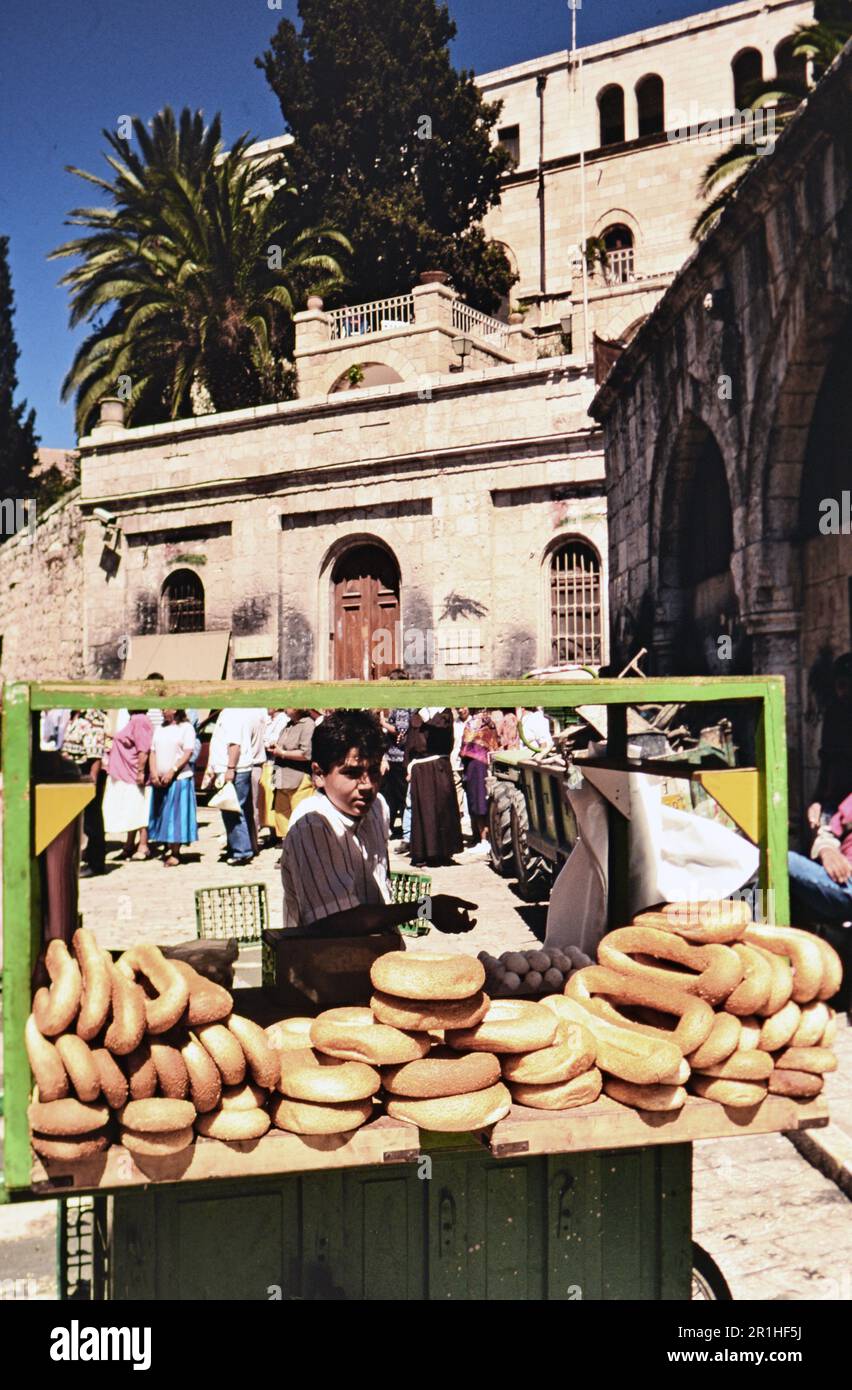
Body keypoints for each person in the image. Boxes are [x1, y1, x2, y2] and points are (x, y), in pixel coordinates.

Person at [280, 710, 476, 935]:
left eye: (373, 771)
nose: (366, 785)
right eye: (352, 773)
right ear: (319, 774)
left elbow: (379, 891)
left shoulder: (377, 808)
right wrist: (425, 908)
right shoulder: (313, 824)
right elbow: (336, 921)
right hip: (327, 961)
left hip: (376, 954)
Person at [789, 654, 852, 927]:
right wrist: (826, 847)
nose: (846, 693)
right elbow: (831, 812)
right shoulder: (836, 717)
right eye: (842, 686)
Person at [207, 706, 266, 866]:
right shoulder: (232, 713)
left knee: (232, 811)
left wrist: (230, 768)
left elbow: (234, 745)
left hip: (236, 769)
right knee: (242, 810)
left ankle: (241, 851)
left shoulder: (232, 714)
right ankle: (245, 846)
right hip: (237, 768)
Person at [408, 709, 463, 866]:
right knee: (423, 810)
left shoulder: (444, 713)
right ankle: (423, 853)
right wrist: (409, 765)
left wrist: (429, 720)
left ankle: (443, 852)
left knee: (442, 809)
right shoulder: (417, 714)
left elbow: (445, 735)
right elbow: (411, 743)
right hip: (420, 768)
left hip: (439, 766)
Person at [147, 709, 198, 866]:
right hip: (160, 779)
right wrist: (154, 773)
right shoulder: (160, 728)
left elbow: (187, 752)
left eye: (165, 708)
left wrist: (172, 771)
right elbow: (153, 752)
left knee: (175, 817)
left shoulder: (186, 728)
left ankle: (175, 852)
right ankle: (166, 845)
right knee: (162, 814)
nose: (162, 711)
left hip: (179, 778)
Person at [62, 709, 108, 877]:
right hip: (71, 770)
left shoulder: (92, 717)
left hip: (87, 771)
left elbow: (95, 753)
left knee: (92, 819)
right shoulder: (72, 716)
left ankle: (96, 864)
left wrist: (93, 779)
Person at [102, 710, 153, 860]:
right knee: (132, 809)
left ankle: (143, 845)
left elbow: (143, 749)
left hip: (132, 774)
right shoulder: (134, 719)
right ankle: (129, 845)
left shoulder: (140, 720)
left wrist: (141, 772)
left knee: (140, 808)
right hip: (124, 774)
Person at [270, 708, 316, 863]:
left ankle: (303, 855)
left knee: (300, 818)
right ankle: (288, 853)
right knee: (282, 817)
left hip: (298, 778)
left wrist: (282, 753)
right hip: (281, 777)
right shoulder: (289, 724)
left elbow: (306, 754)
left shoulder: (308, 724)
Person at [459, 710, 500, 857]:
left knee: (478, 801)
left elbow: (465, 745)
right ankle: (484, 839)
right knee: (482, 800)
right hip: (486, 762)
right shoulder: (490, 722)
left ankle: (484, 840)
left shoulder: (474, 723)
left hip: (475, 765)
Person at [380, 693, 410, 838]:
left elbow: (401, 731)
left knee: (401, 796)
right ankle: (388, 827)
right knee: (389, 796)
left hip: (400, 758)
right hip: (391, 757)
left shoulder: (403, 707)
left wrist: (383, 723)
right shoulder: (398, 707)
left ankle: (406, 831)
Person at [258, 709, 289, 845]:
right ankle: (272, 832)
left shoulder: (282, 720)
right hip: (267, 764)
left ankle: (279, 832)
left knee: (275, 797)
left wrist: (265, 743)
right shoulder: (269, 720)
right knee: (266, 799)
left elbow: (274, 741)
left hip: (276, 766)